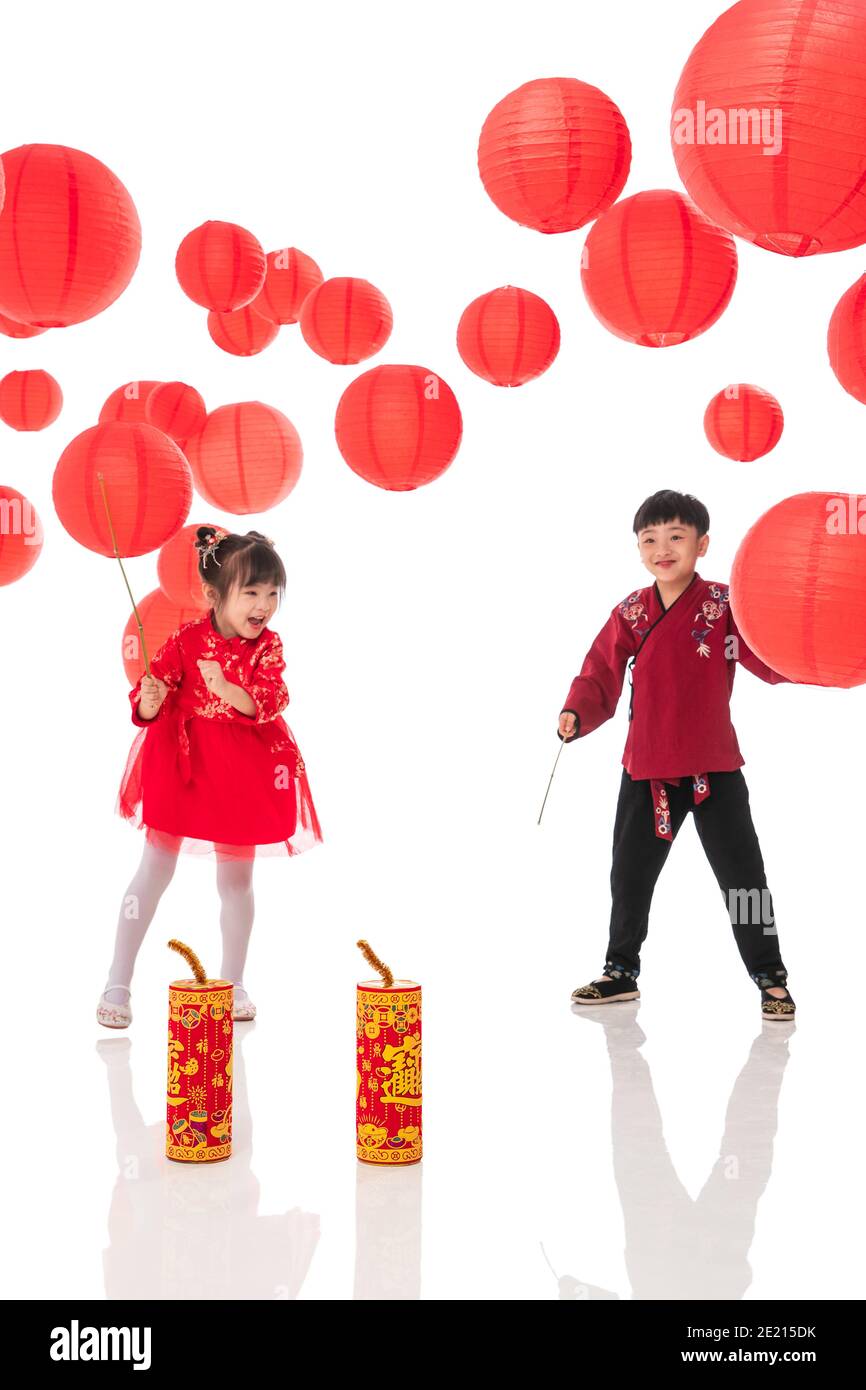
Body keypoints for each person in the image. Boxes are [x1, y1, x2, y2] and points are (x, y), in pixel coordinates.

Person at [558, 490, 795, 1021]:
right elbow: (600, 670)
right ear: (638, 548)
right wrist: (577, 710)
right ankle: (620, 972)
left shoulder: (726, 606)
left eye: (676, 537)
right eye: (650, 539)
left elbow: (766, 654)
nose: (662, 548)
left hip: (714, 766)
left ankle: (770, 976)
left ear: (702, 543)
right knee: (630, 876)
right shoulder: (631, 612)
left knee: (744, 879)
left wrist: (807, 656)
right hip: (648, 768)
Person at [97, 526, 322, 1029]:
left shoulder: (267, 647)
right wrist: (148, 702)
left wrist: (227, 685)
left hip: (244, 768)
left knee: (237, 879)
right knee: (154, 868)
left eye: (271, 594)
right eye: (251, 592)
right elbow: (155, 692)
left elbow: (272, 698)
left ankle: (234, 979)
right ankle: (118, 979)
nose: (263, 605)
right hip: (184, 763)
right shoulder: (185, 640)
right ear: (214, 595)